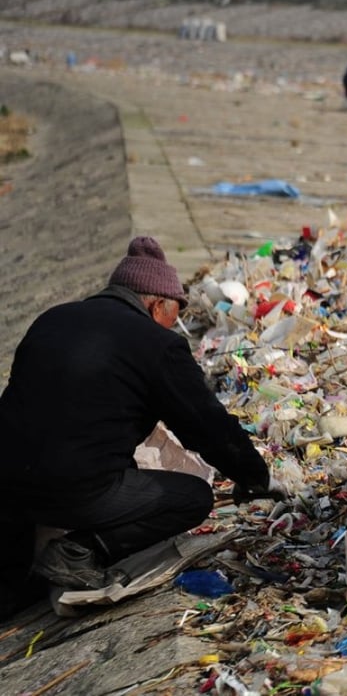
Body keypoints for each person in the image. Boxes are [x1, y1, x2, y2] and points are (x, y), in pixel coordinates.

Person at [0, 237, 278, 618]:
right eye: (174, 313)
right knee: (192, 497)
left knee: (14, 594)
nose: (173, 325)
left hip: (8, 485)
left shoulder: (53, 319)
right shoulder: (155, 344)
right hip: (71, 489)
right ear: (155, 303)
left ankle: (17, 586)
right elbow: (204, 424)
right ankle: (78, 550)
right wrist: (252, 473)